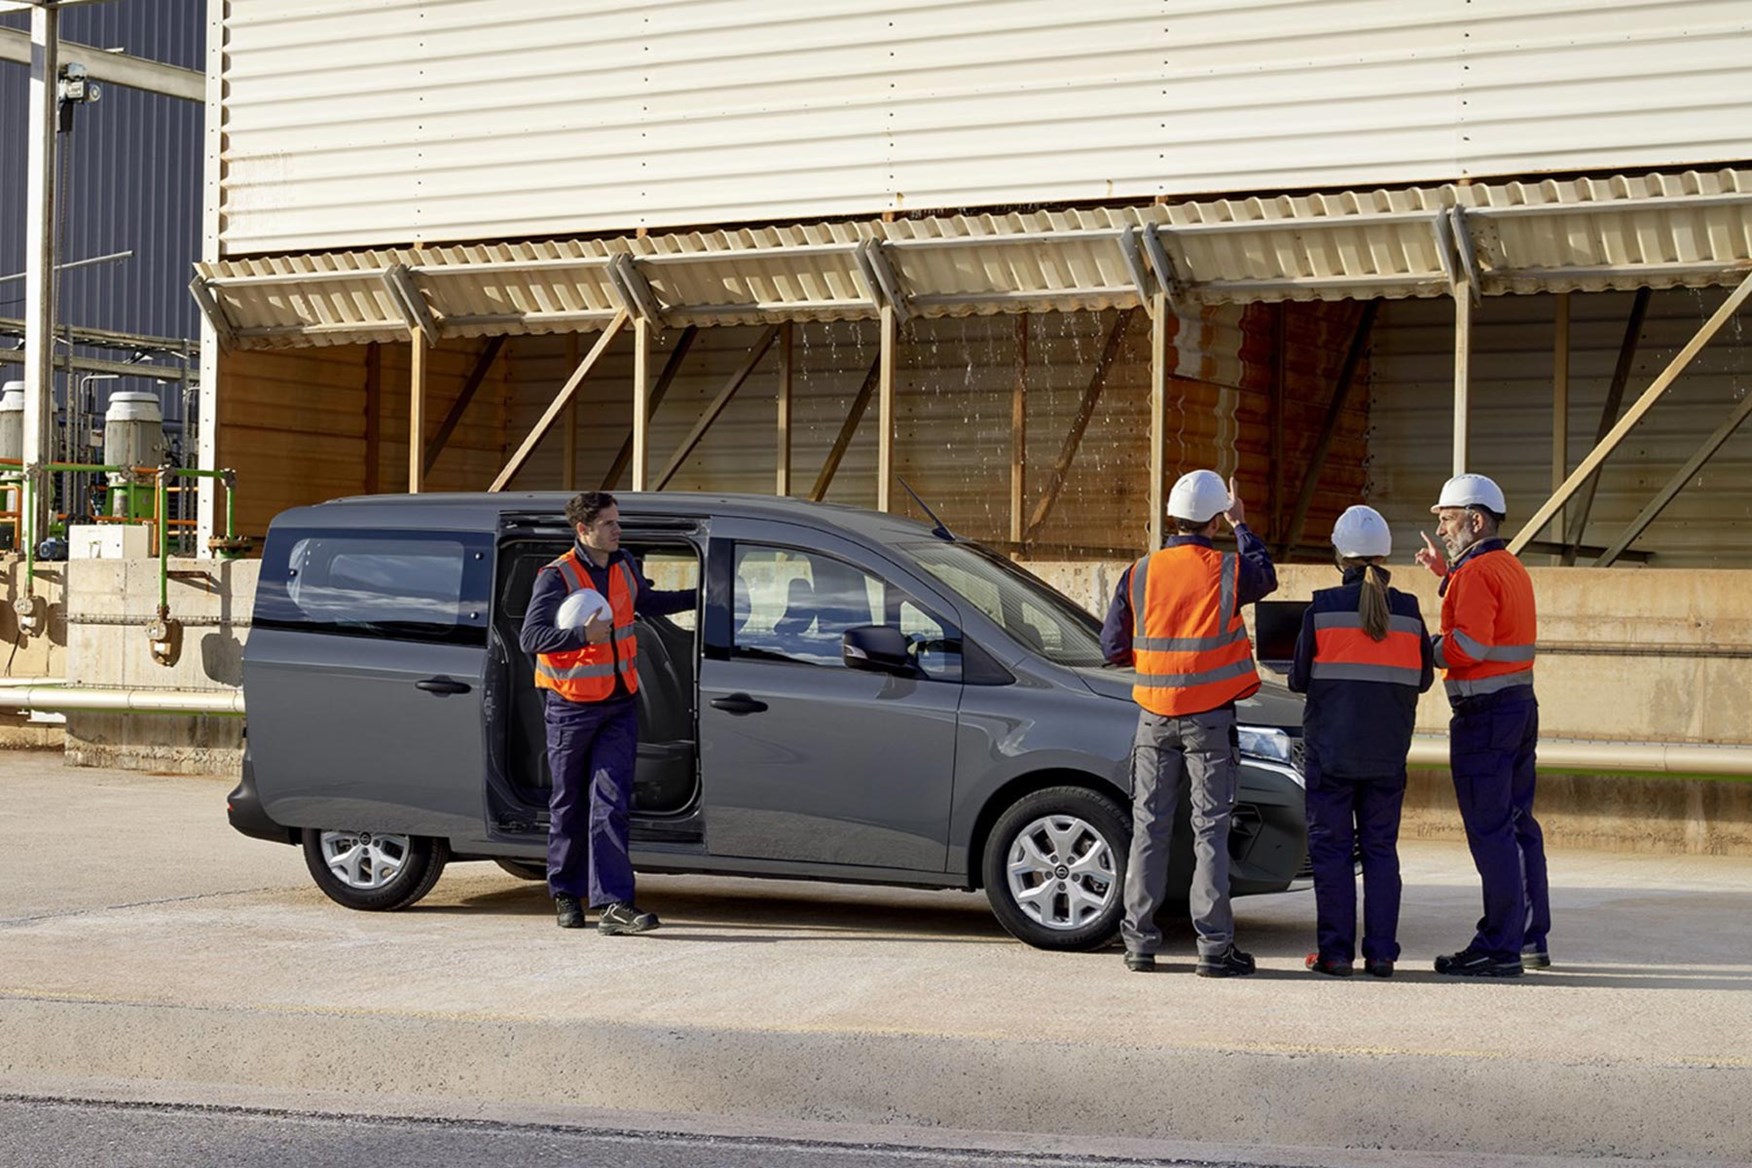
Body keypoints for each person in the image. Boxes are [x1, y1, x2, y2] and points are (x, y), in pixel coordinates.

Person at [1102, 469, 1277, 977]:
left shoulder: (1139, 572)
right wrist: (1242, 525)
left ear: (1172, 517)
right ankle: (1214, 948)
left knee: (1149, 829)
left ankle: (1138, 942)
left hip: (1154, 717)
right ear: (1215, 521)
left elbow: (1112, 647)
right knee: (1210, 832)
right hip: (1209, 722)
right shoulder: (1226, 569)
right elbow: (1265, 575)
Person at [519, 491, 696, 934]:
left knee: (612, 803)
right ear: (584, 530)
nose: (619, 530)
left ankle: (614, 904)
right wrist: (583, 634)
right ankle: (564, 892)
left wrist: (702, 595)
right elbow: (531, 637)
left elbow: (646, 603)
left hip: (619, 703)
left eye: (618, 522)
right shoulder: (556, 576)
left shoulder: (623, 564)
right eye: (610, 524)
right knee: (568, 804)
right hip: (571, 707)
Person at [1287, 506, 1433, 978]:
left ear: (1339, 556)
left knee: (1331, 854)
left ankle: (1334, 955)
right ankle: (1383, 955)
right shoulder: (1409, 612)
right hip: (1387, 755)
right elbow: (1424, 680)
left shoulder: (1322, 608)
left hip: (1331, 754)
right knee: (1380, 853)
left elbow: (1298, 679)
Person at [1414, 473, 1549, 977]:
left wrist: (1422, 648)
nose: (1444, 531)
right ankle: (1530, 937)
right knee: (1518, 826)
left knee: (1490, 831)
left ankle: (1499, 945)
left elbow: (1468, 646)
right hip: (1518, 709)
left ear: (1475, 520)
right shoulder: (1508, 567)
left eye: (1448, 520)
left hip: (1484, 720)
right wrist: (1443, 574)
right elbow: (1487, 611)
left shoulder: (1474, 575)